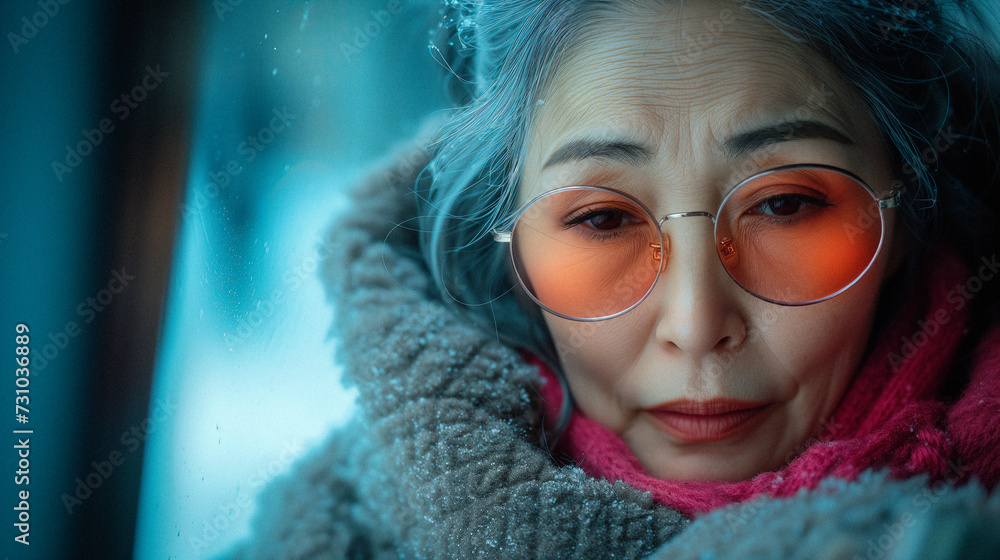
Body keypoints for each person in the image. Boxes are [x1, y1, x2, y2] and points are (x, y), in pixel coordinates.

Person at [222, 1, 1000, 558]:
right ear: (511, 250)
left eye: (785, 205)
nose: (696, 325)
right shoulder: (338, 532)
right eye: (603, 220)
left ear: (905, 209)